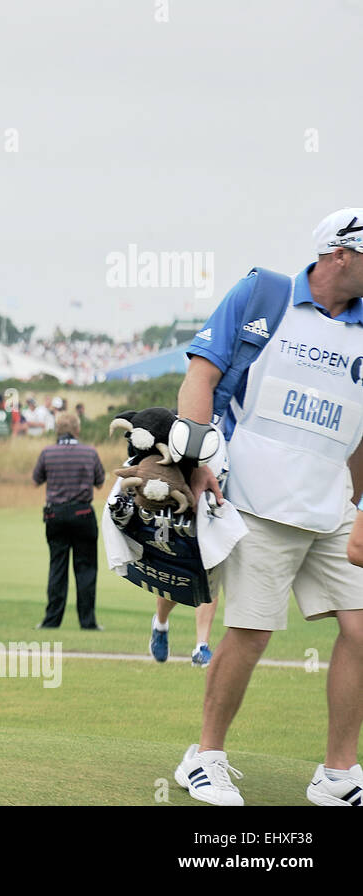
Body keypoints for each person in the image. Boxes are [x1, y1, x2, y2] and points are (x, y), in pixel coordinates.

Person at [171, 208, 363, 807]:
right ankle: (204, 757)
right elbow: (202, 376)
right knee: (251, 634)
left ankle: (338, 775)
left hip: (332, 506)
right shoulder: (265, 293)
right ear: (341, 255)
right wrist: (196, 458)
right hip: (252, 499)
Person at [32, 411, 104, 630]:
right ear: (77, 429)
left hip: (55, 515)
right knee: (86, 569)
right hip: (83, 514)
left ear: (57, 430)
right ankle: (88, 622)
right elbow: (100, 482)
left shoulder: (47, 452)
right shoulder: (89, 453)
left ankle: (51, 621)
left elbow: (37, 480)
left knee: (57, 568)